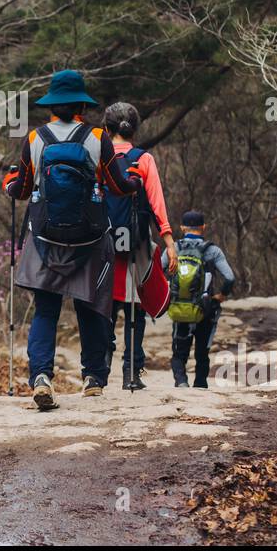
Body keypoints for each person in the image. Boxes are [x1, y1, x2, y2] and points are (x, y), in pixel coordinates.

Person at [3, 69, 140, 408]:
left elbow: (20, 190)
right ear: (81, 104)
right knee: (91, 308)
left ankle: (41, 376)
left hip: (45, 240)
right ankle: (93, 378)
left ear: (51, 106)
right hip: (90, 241)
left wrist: (7, 181)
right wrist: (134, 180)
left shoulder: (35, 140)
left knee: (45, 310)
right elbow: (119, 186)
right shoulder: (97, 137)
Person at [102, 102, 177, 390]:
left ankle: (100, 372)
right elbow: (157, 203)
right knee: (136, 309)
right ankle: (131, 374)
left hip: (105, 244)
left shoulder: (99, 158)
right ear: (134, 129)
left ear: (107, 129)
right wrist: (169, 241)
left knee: (106, 309)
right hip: (139, 243)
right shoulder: (143, 159)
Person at [169, 211, 235, 388]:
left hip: (181, 306)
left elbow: (160, 270)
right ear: (203, 227)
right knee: (202, 351)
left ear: (182, 228)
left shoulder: (174, 248)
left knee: (179, 349)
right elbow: (229, 277)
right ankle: (200, 383)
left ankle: (181, 381)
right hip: (206, 306)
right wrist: (221, 296)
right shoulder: (212, 250)